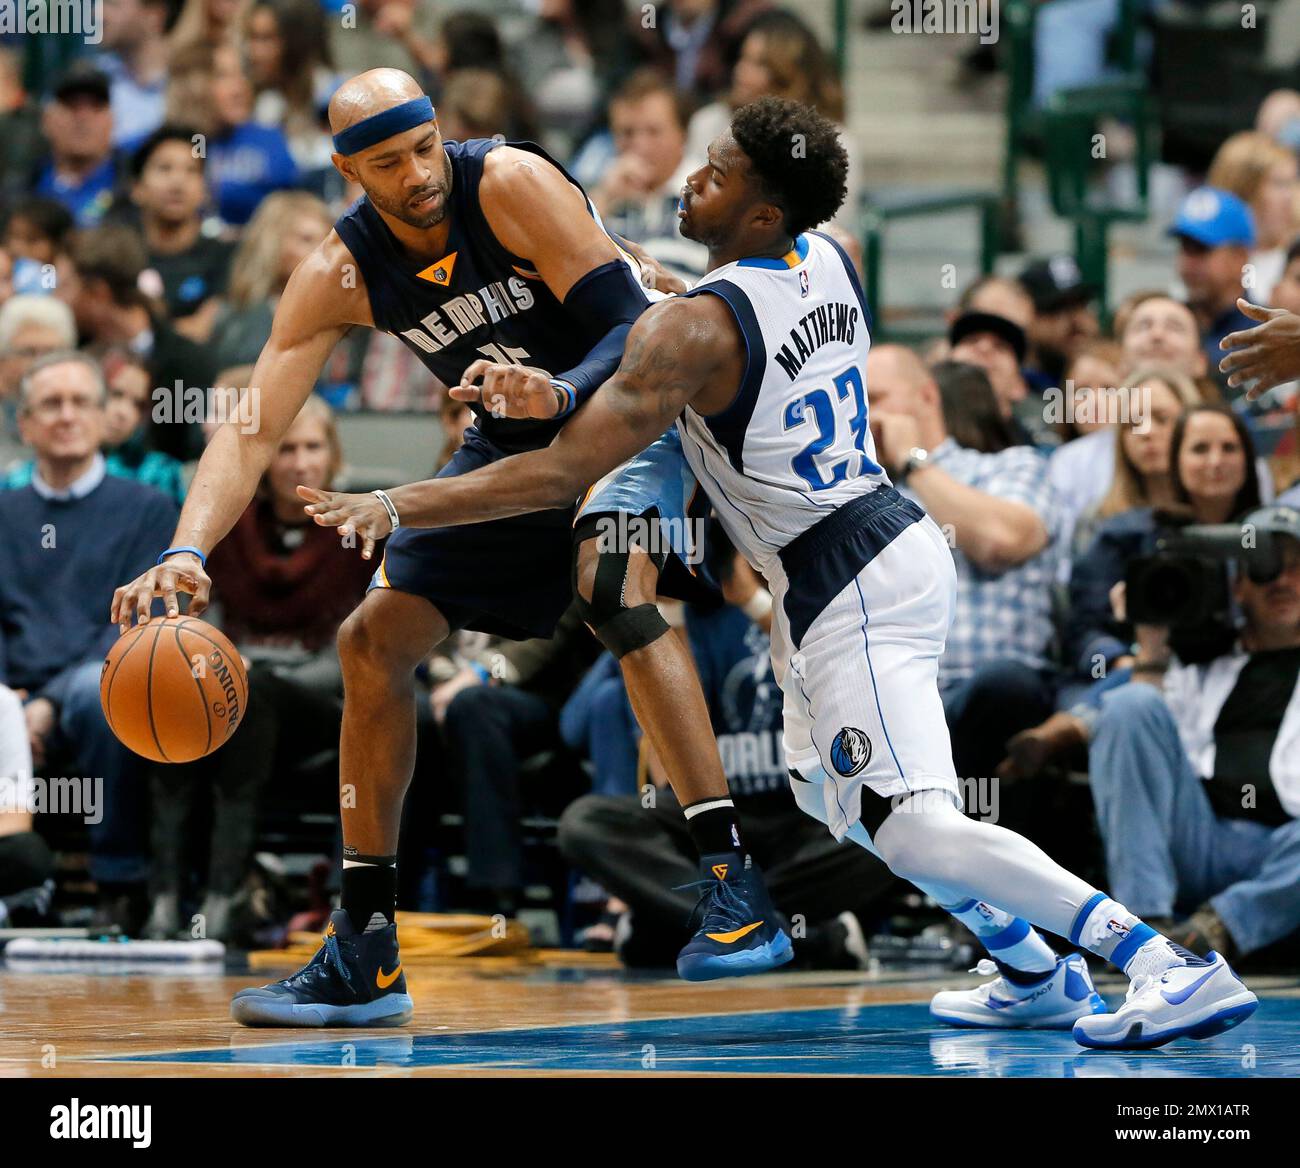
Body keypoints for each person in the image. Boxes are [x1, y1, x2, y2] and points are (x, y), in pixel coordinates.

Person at [303, 96, 1258, 1050]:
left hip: (848, 570)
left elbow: (558, 469)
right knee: (825, 794)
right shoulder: (827, 255)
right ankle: (1027, 966)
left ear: (763, 214)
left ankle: (1159, 961)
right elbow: (700, 309)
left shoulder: (692, 333)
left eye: (714, 175)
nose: (690, 178)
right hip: (866, 551)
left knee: (912, 825)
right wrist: (635, 284)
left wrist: (395, 506)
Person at [110, 70, 784, 1030]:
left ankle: (733, 884)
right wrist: (188, 550)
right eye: (387, 162)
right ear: (349, 170)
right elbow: (253, 426)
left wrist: (555, 394)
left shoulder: (509, 183)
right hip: (513, 443)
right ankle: (366, 944)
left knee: (610, 583)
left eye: (425, 147)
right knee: (370, 644)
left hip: (644, 408)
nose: (418, 173)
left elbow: (636, 329)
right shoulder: (339, 273)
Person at [0, 352, 178, 930]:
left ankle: (119, 884)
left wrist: (45, 702)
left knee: (109, 695)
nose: (67, 415)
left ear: (105, 418)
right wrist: (10, 703)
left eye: (81, 402)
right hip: (13, 689)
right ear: (23, 424)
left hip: (96, 674)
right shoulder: (5, 512)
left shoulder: (147, 509)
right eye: (50, 404)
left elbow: (133, 622)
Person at [1087, 508, 1300, 961]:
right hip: (1200, 837)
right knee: (1128, 704)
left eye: (1296, 567)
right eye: (1265, 570)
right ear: (1237, 586)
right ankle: (1144, 930)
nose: (1282, 581)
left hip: (1287, 852)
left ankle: (1217, 927)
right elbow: (1136, 742)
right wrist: (1151, 648)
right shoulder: (1198, 663)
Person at [866, 348, 1062, 782]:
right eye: (853, 405)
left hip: (989, 696)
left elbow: (1002, 540)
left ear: (928, 397)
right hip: (893, 701)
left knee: (1005, 685)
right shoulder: (856, 497)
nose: (863, 416)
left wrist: (913, 463)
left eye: (876, 399)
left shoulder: (1010, 466)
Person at [589, 69, 708, 283]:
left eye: (653, 131)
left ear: (683, 133)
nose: (640, 146)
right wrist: (604, 199)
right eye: (627, 133)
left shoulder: (709, 196)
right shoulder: (607, 195)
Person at [128, 125, 234, 341]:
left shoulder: (226, 257)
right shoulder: (117, 257)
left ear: (205, 190)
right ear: (137, 188)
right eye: (164, 169)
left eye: (191, 171)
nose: (178, 183)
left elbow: (202, 329)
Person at [1168, 186, 1259, 391]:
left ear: (1240, 257)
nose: (1188, 262)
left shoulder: (1265, 332)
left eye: (1200, 249)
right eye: (1184, 247)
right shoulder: (1167, 324)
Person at [33, 64, 131, 229]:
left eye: (96, 106)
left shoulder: (135, 188)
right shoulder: (19, 191)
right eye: (71, 106)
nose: (83, 118)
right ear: (46, 120)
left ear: (112, 120)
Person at [1207, 131, 1299, 303]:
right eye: (1279, 184)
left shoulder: (1296, 256)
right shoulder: (1204, 255)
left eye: (1292, 182)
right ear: (1244, 189)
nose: (1290, 196)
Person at [92, 0, 170, 144]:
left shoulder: (192, 83)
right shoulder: (90, 79)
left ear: (153, 15)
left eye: (112, 4)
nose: (97, 14)